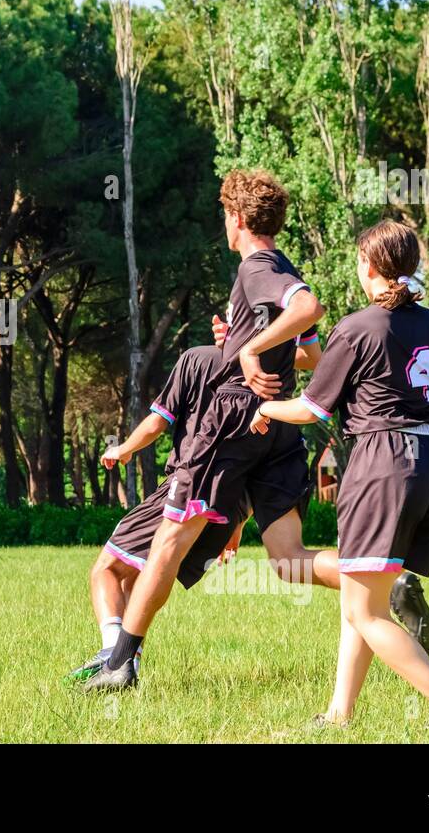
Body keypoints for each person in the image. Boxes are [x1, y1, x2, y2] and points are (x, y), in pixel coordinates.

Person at [244, 220, 429, 736]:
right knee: (360, 599)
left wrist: (267, 406)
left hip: (381, 464)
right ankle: (340, 713)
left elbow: (313, 409)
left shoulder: (357, 328)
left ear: (370, 266)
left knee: (366, 612)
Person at [85, 169, 327, 691]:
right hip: (277, 421)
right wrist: (248, 337)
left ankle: (120, 663)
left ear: (236, 218)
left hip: (234, 420)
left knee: (171, 538)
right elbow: (311, 354)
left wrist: (249, 348)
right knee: (289, 558)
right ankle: (378, 575)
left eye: (224, 215)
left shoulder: (256, 266)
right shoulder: (281, 265)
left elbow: (308, 308)